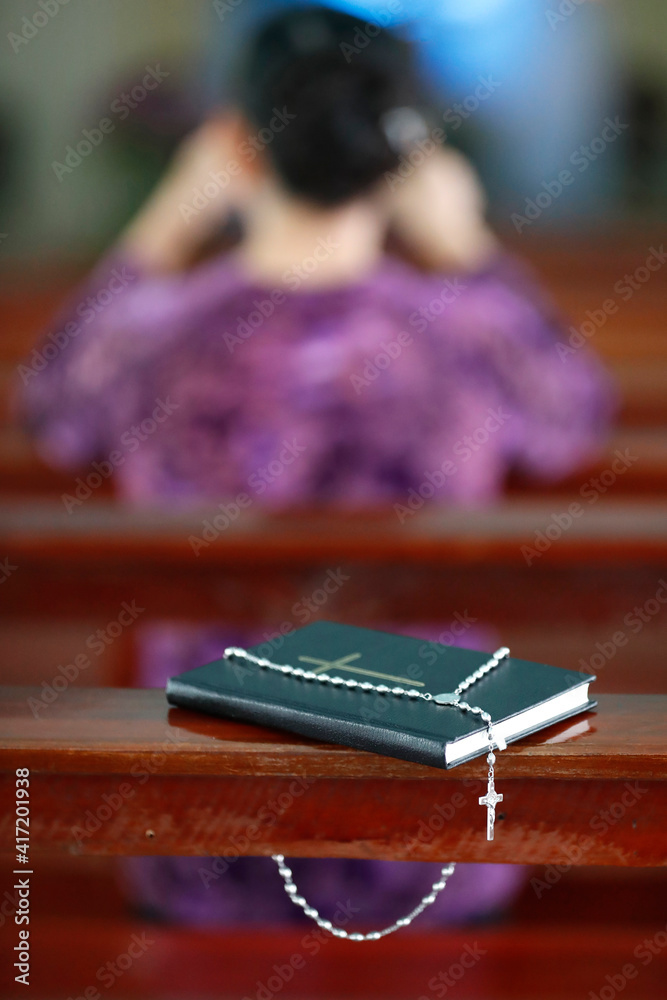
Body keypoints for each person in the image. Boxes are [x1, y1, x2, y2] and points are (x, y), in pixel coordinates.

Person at [19, 7, 613, 929]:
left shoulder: (149, 335)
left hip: (201, 841)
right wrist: (469, 248)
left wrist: (160, 229)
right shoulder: (468, 333)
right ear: (409, 163)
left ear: (233, 148)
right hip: (437, 839)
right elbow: (573, 418)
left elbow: (51, 412)